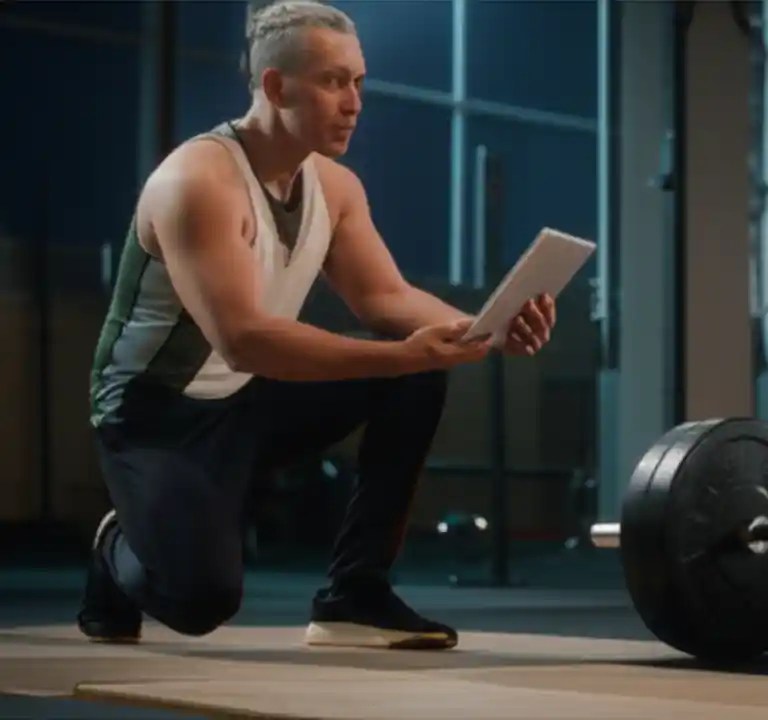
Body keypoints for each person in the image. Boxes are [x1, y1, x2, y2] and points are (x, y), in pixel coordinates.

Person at [77, 0, 557, 651]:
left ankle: (355, 596)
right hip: (154, 412)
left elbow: (384, 297)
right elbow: (244, 339)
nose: (354, 102)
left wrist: (489, 326)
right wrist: (407, 354)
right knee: (198, 600)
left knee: (415, 377)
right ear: (275, 86)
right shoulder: (198, 182)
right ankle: (116, 545)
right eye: (333, 82)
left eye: (358, 81)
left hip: (245, 399)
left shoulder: (335, 187)